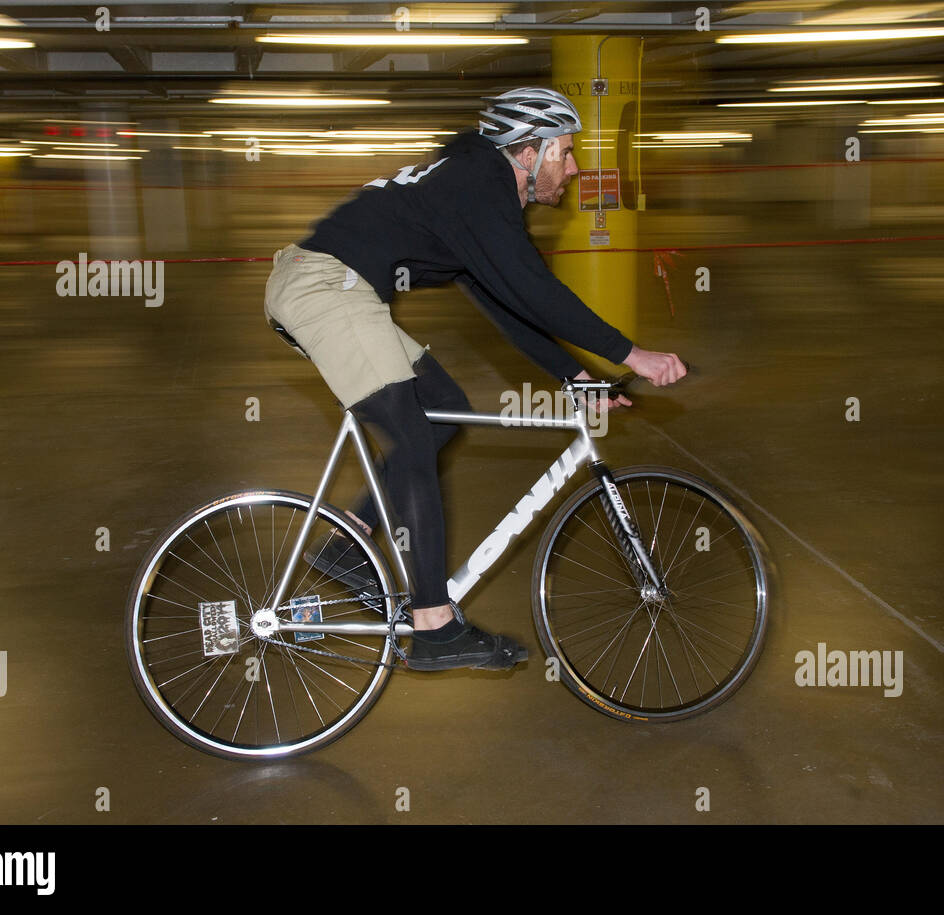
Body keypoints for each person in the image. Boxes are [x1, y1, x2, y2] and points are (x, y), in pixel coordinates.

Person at [263, 87, 686, 672]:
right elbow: (536, 289)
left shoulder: (477, 194)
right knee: (412, 434)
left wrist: (579, 375)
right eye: (564, 152)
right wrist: (631, 353)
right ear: (528, 151)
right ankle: (434, 627)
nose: (573, 169)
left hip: (337, 289)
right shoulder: (477, 183)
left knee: (441, 409)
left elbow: (507, 304)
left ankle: (348, 546)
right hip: (327, 287)